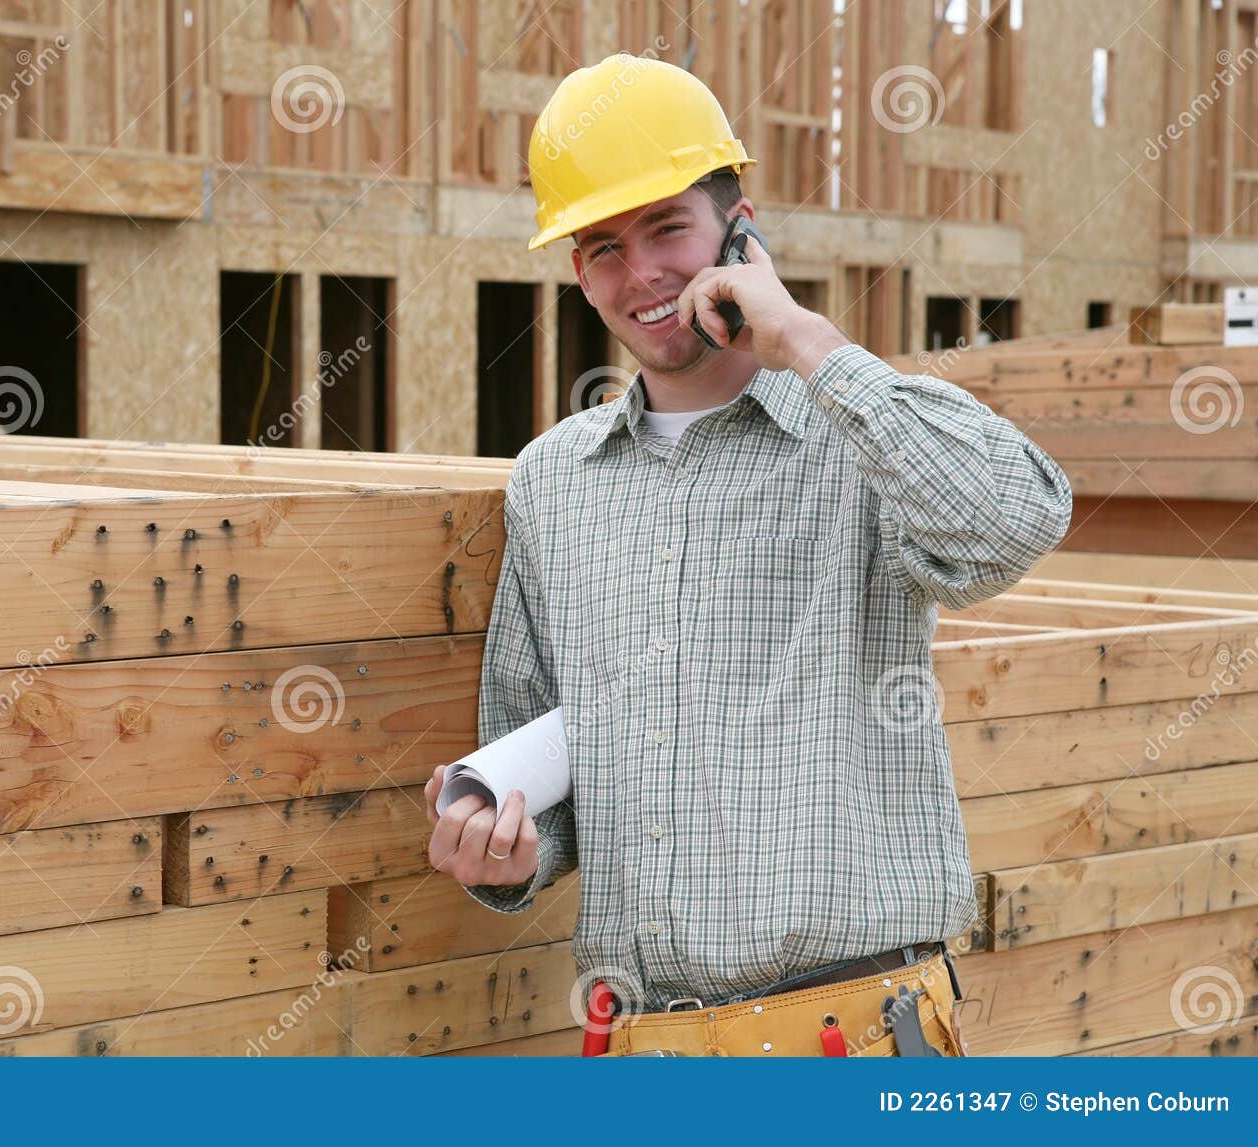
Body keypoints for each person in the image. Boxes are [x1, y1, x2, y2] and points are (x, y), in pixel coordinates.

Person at [422, 53, 1073, 1057]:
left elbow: (1015, 518)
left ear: (740, 227)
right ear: (575, 272)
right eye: (602, 246)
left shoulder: (858, 435)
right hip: (638, 1046)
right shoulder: (554, 484)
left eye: (666, 228)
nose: (639, 274)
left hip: (846, 1041)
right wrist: (503, 853)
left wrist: (806, 341)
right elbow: (539, 753)